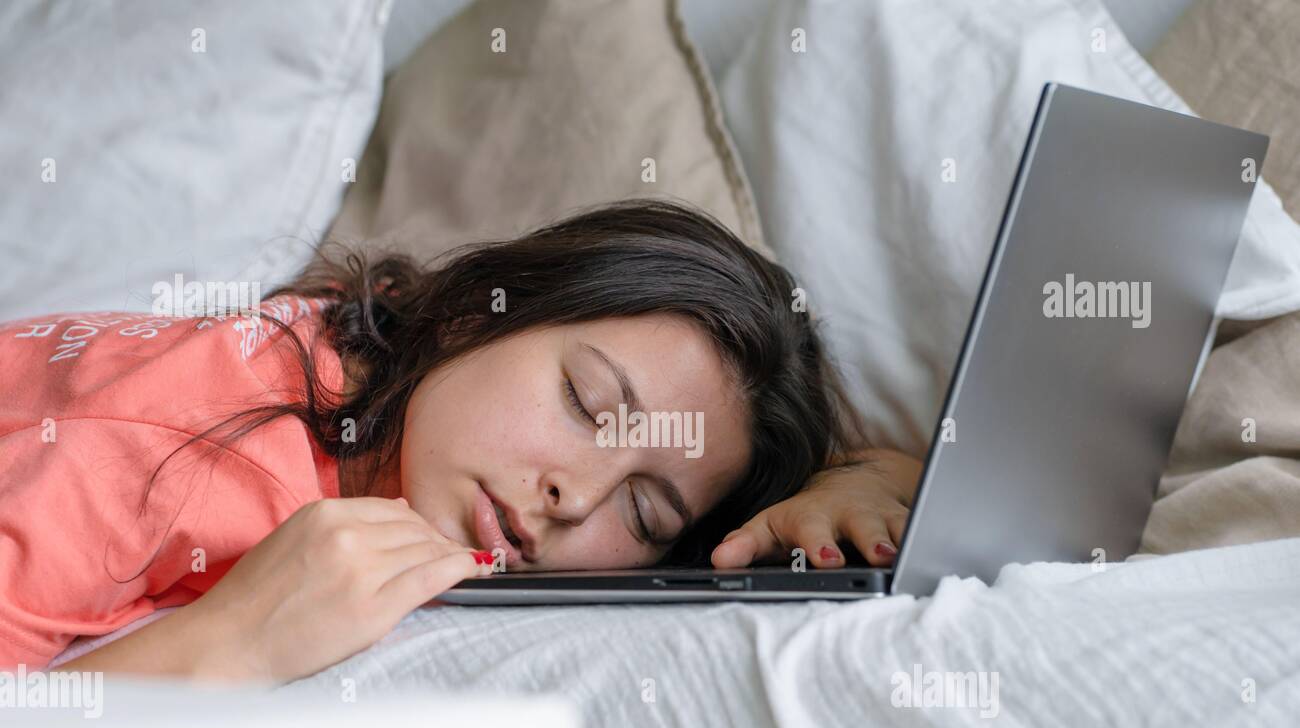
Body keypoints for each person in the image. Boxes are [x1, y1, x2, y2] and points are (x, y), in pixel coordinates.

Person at [0, 199, 920, 682]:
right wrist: (234, 644)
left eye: (644, 511)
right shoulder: (157, 460)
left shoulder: (370, 369)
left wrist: (859, 477)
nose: (576, 497)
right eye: (586, 403)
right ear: (466, 319)